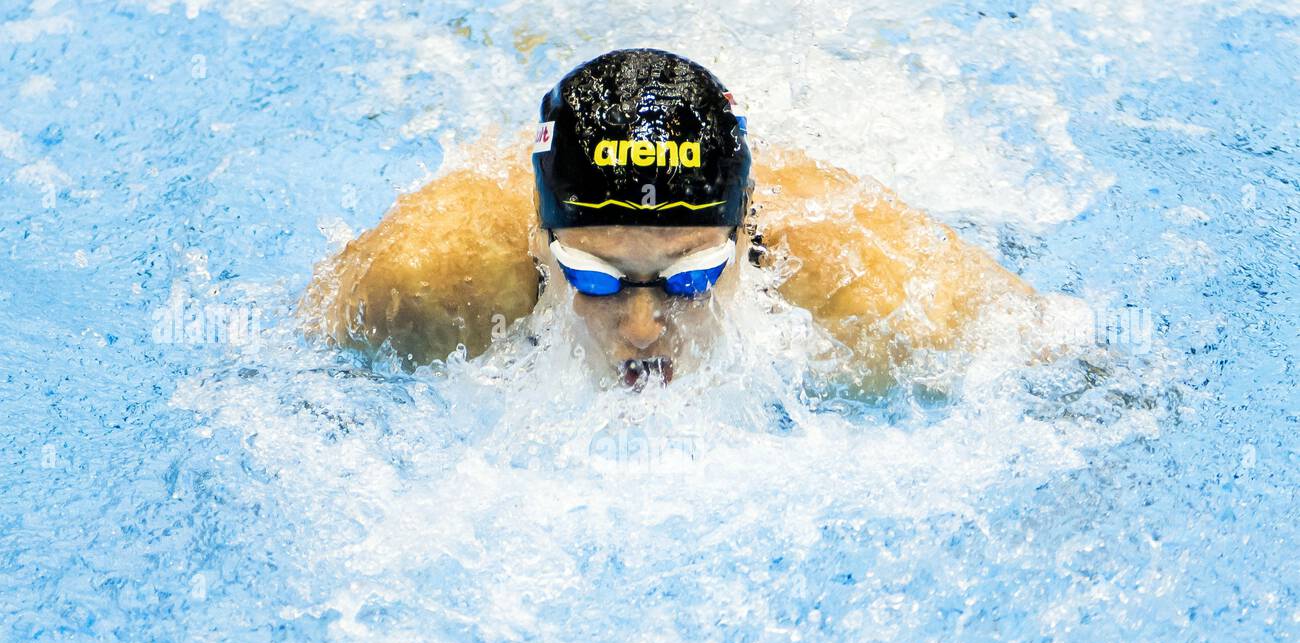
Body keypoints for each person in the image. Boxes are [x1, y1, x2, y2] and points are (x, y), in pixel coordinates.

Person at [300, 48, 1051, 390]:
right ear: (538, 240)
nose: (641, 326)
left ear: (747, 238)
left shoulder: (882, 296)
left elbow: (1081, 377)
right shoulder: (426, 286)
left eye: (690, 279)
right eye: (592, 280)